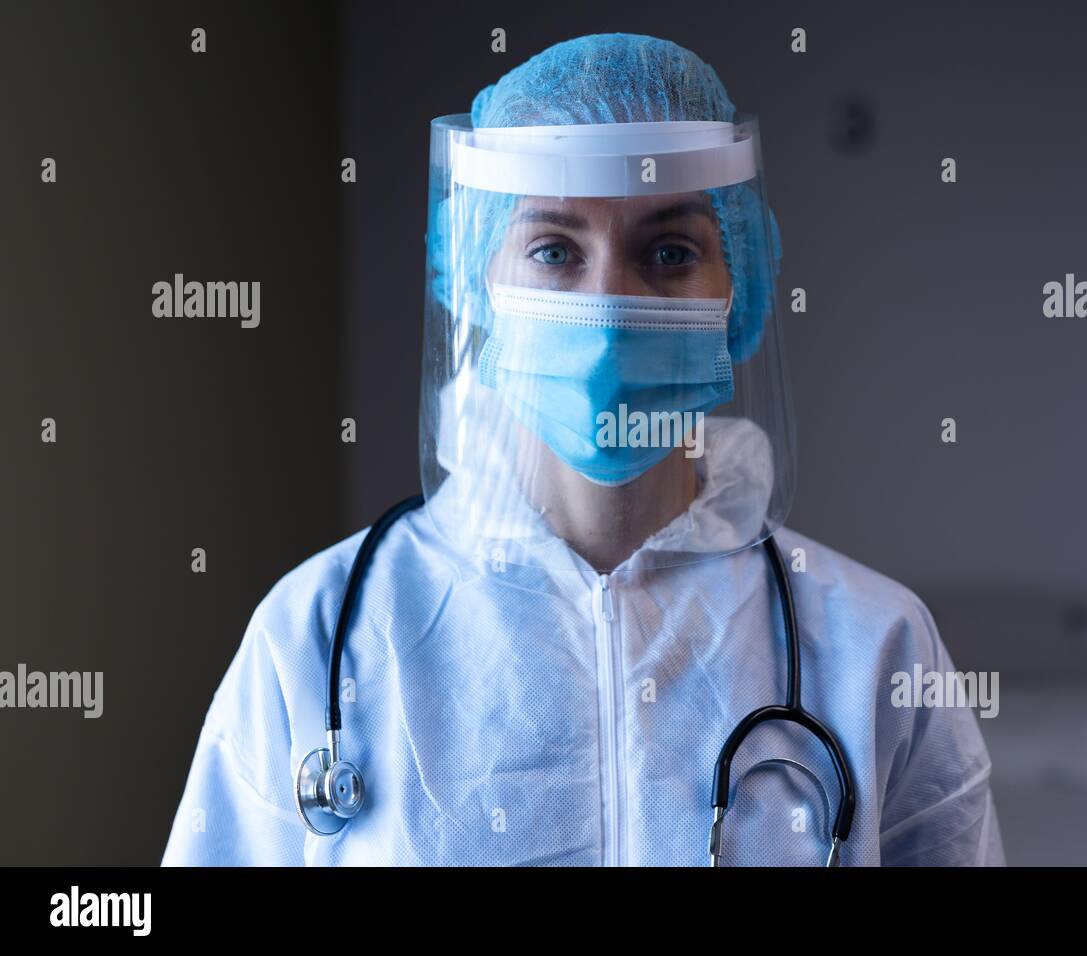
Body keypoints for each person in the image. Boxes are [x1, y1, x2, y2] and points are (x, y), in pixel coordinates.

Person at [162, 32, 1004, 866]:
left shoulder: (877, 648)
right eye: (555, 251)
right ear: (476, 283)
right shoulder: (315, 638)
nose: (608, 308)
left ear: (738, 286)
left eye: (668, 252)